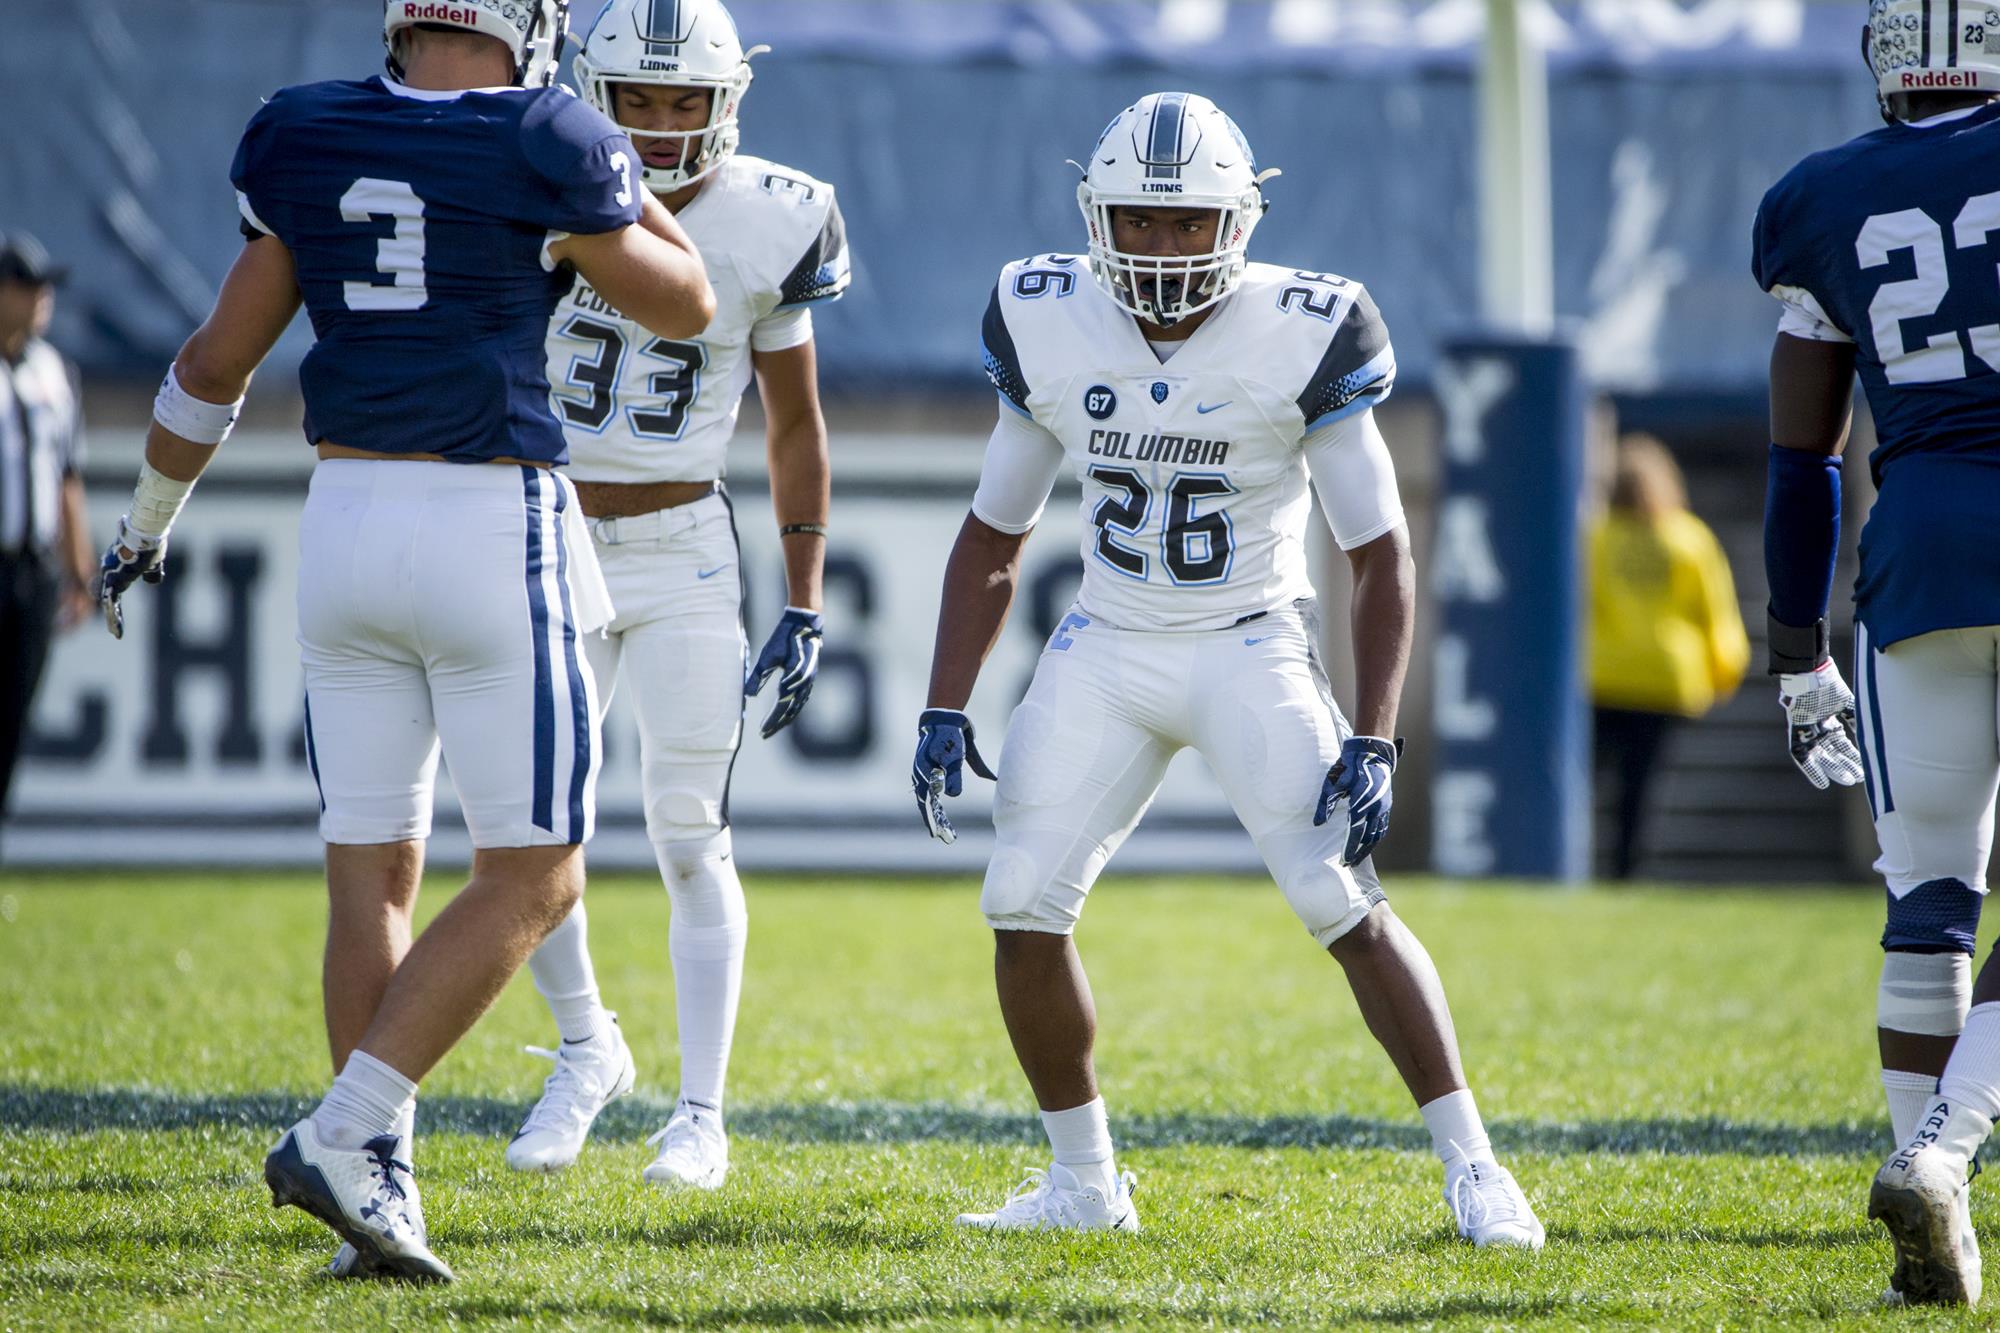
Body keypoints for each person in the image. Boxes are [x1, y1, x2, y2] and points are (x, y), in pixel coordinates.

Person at [96, 0, 713, 1282]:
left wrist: (149, 520)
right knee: (537, 872)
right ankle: (348, 1129)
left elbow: (214, 364)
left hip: (343, 522)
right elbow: (687, 304)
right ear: (526, 25)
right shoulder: (549, 129)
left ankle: (379, 1195)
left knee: (368, 874)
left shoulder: (304, 127)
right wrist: (601, 180)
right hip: (491, 516)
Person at [911, 91, 1544, 1246]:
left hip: (1248, 639)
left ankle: (1475, 1166)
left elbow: (1377, 553)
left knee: (1338, 900)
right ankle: (1083, 1182)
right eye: (1139, 224)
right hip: (1107, 641)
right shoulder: (1046, 312)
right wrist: (943, 700)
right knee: (1017, 903)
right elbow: (992, 533)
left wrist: (1373, 730)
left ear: (1237, 221)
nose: (1160, 249)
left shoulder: (1306, 325)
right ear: (1096, 217)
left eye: (1187, 222)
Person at [506, 0, 847, 1191]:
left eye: (680, 102)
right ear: (593, 91)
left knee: (688, 829)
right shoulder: (532, 173)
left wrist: (802, 596)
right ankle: (584, 1046)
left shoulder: (777, 212)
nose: (656, 127)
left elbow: (794, 422)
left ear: (726, 102)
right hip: (546, 530)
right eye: (636, 101)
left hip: (685, 543)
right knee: (528, 826)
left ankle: (700, 1114)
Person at [1753, 0, 2000, 1306]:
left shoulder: (1825, 197)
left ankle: (1924, 1184)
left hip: (1919, 561)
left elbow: (1801, 459)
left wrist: (1797, 647)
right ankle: (1948, 1155)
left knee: (1929, 904)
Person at [1588, 433, 1749, 879]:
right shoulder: (1690, 539)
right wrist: (1723, 671)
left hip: (1605, 674)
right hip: (1665, 678)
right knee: (1639, 787)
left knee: (1588, 781)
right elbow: (1716, 612)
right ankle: (1626, 872)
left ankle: (1577, 864)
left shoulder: (1597, 538)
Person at [0, 232, 94, 853]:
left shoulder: (54, 372)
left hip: (30, 571)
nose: (43, 298)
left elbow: (66, 477)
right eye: (29, 285)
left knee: (12, 718)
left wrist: (79, 571)